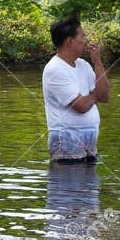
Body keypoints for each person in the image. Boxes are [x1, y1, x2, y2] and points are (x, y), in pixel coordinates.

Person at [42, 16, 109, 162]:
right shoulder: (55, 69)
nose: (86, 40)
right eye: (82, 36)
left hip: (88, 138)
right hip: (66, 138)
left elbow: (104, 96)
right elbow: (81, 106)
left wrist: (97, 62)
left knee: (90, 185)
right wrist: (93, 96)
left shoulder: (83, 65)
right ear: (70, 41)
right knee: (70, 183)